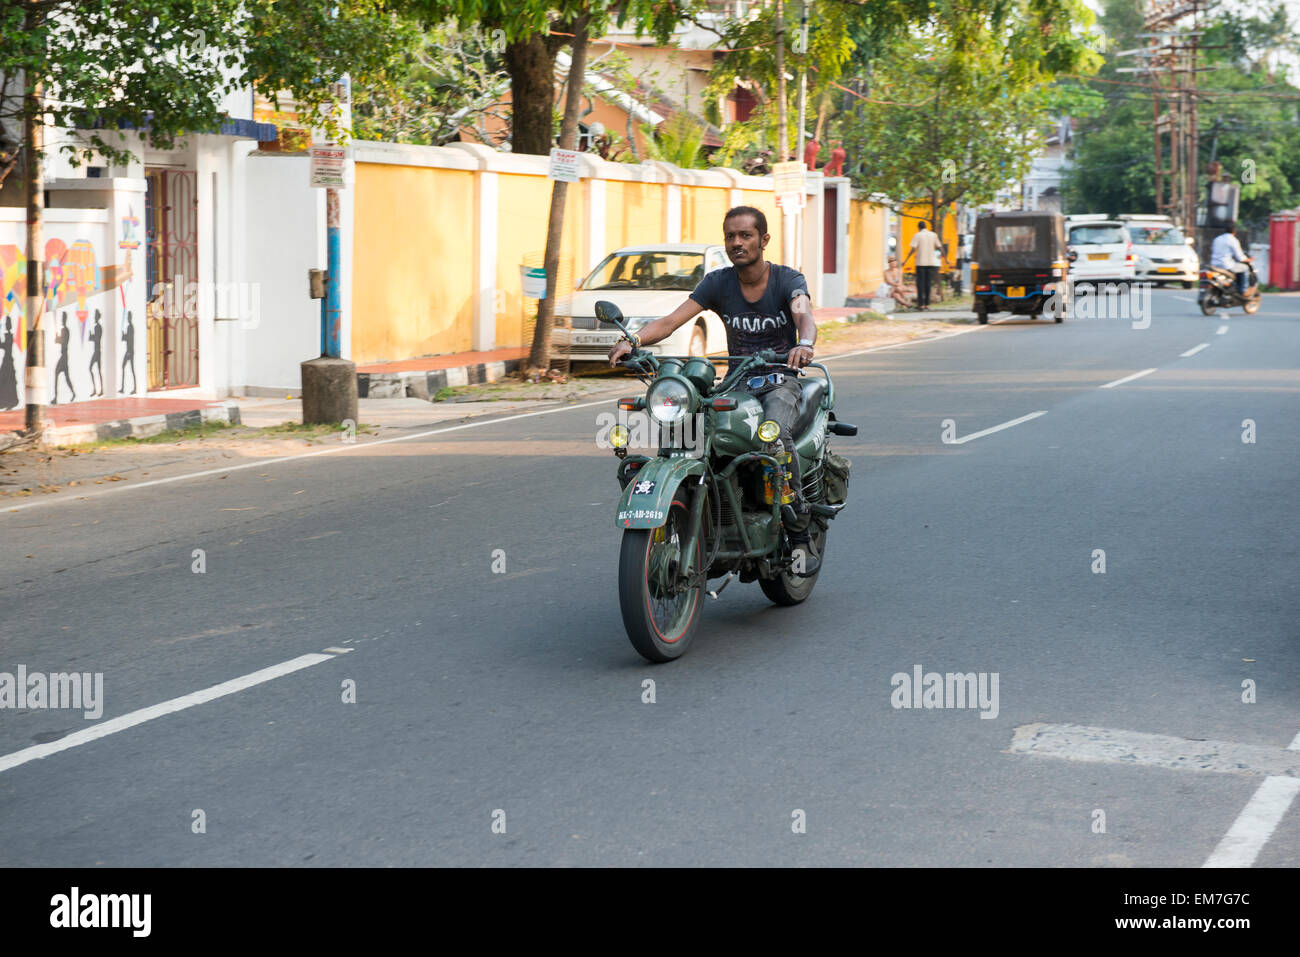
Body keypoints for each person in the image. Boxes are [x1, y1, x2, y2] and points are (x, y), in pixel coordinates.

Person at [608, 205, 822, 574]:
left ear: (763, 240)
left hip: (778, 378)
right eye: (730, 236)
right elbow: (672, 321)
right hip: (737, 382)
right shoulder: (718, 282)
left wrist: (804, 343)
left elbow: (803, 314)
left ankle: (798, 521)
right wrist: (633, 339)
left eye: (745, 235)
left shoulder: (788, 280)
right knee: (692, 432)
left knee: (773, 437)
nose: (737, 243)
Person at [902, 220, 944, 310]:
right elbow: (940, 247)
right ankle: (927, 304)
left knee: (920, 284)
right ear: (926, 227)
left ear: (919, 228)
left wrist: (905, 260)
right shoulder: (933, 235)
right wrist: (946, 259)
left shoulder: (917, 235)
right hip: (930, 263)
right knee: (928, 284)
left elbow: (913, 249)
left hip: (920, 263)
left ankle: (920, 305)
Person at [1210, 223, 1253, 296]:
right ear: (1234, 231)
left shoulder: (1217, 239)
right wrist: (1248, 260)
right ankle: (1243, 290)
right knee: (1245, 268)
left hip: (1214, 264)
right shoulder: (1233, 240)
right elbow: (1240, 257)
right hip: (1226, 265)